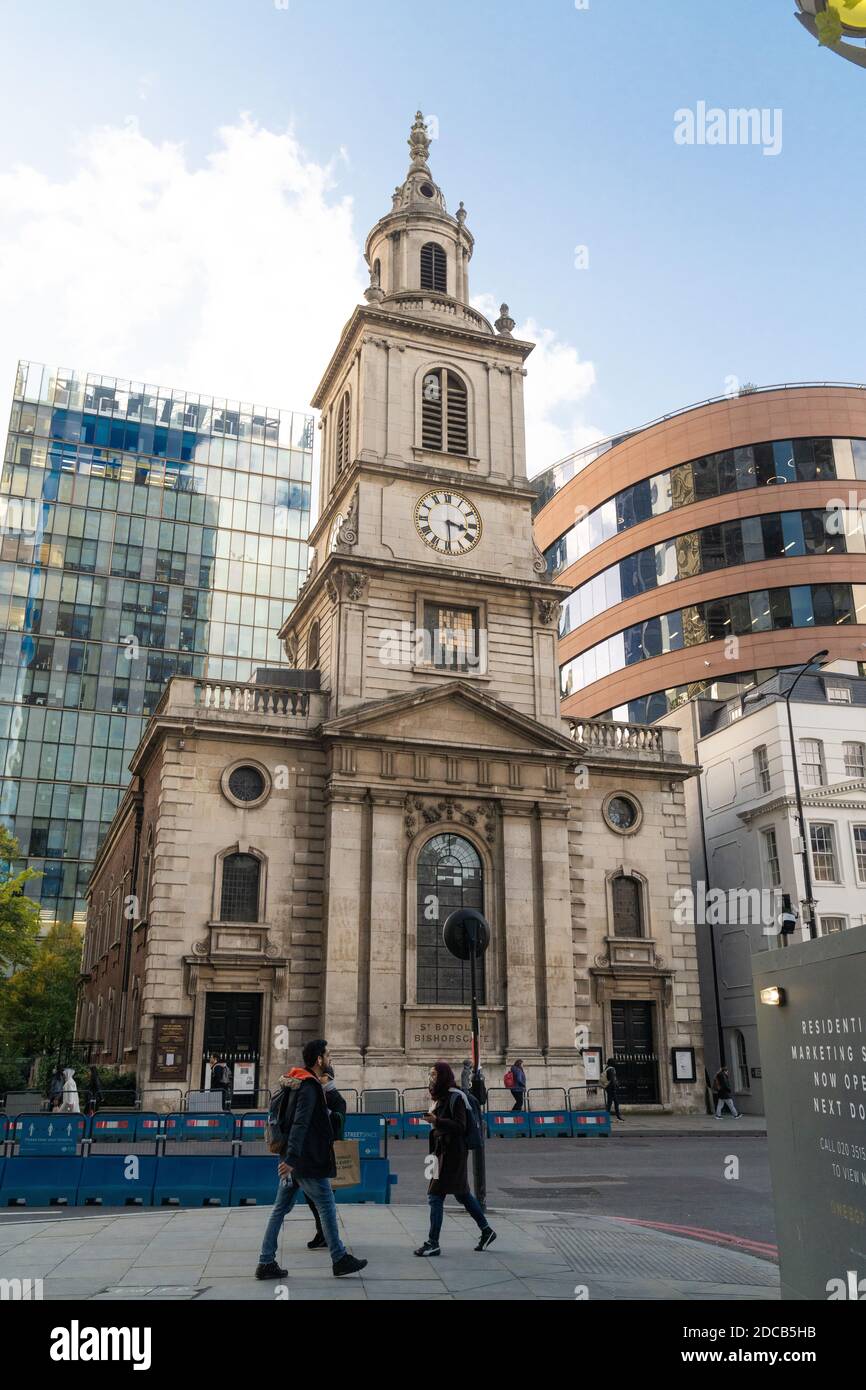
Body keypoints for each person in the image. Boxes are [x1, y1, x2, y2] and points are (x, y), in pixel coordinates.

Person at [255, 1039, 367, 1281]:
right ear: (319, 1059)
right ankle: (339, 1258)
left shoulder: (295, 1081)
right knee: (326, 1204)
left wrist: (289, 1157)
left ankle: (266, 1262)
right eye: (328, 1055)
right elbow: (300, 1123)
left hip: (292, 1158)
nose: (329, 1059)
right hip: (305, 1160)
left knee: (280, 1208)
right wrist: (294, 1158)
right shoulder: (309, 1086)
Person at [414, 1061, 496, 1258]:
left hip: (453, 1152)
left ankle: (433, 1242)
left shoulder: (456, 1096)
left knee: (435, 1196)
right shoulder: (440, 1096)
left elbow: (460, 1125)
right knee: (462, 1194)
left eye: (434, 1074)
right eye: (430, 1074)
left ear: (443, 1075)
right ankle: (486, 1230)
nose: (431, 1078)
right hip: (440, 1151)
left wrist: (437, 1121)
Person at [305, 1063, 346, 1251]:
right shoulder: (317, 1096)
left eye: (320, 1077)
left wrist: (325, 1111)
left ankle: (325, 1235)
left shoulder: (337, 1098)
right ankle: (322, 1232)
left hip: (330, 1153)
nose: (317, 1079)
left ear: (328, 1078)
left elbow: (339, 1121)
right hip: (315, 1151)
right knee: (311, 1197)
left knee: (324, 1199)